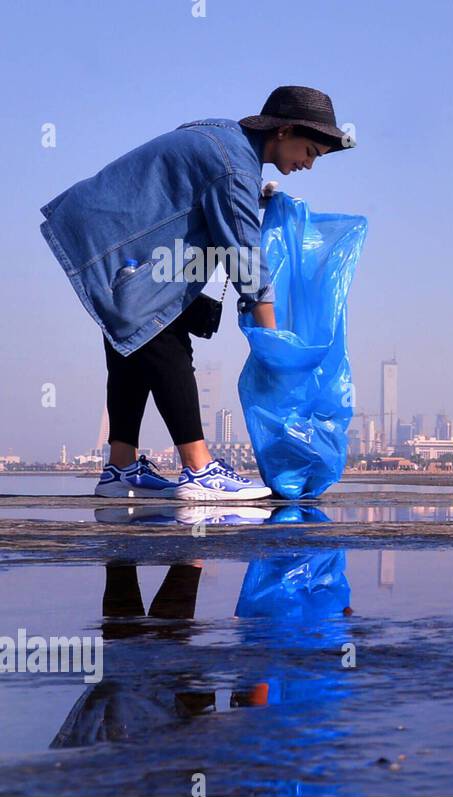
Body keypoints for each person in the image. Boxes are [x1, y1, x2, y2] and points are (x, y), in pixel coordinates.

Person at [40, 86, 355, 499]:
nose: (308, 165)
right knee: (163, 334)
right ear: (285, 130)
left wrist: (251, 196)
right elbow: (244, 256)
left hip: (103, 230)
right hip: (113, 237)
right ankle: (199, 469)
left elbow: (192, 190)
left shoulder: (225, 138)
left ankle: (121, 468)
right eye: (310, 151)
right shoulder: (234, 165)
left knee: (132, 341)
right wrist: (274, 345)